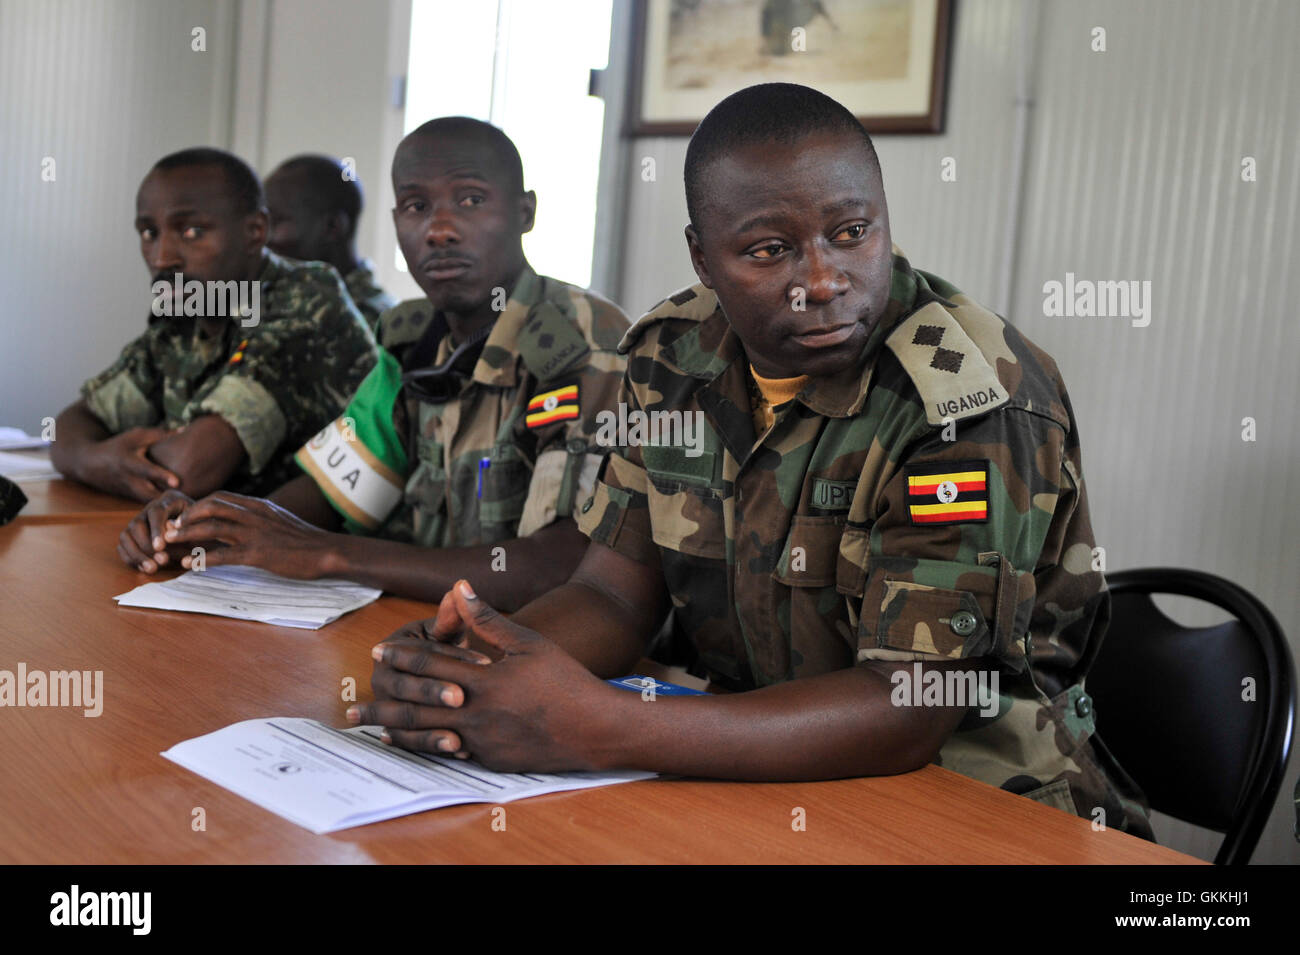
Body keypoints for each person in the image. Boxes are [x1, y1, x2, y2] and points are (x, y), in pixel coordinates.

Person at [351, 84, 1155, 840]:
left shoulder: (970, 395)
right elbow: (609, 590)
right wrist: (473, 670)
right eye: (769, 250)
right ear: (704, 259)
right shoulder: (671, 357)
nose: (822, 280)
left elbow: (910, 703)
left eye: (852, 232)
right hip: (743, 769)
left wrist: (603, 726)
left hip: (975, 804)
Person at [117, 119, 631, 612]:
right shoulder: (412, 343)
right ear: (395, 224)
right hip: (413, 622)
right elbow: (333, 492)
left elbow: (563, 564)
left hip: (551, 655)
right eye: (415, 206)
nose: (439, 229)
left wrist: (329, 555)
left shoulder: (581, 338)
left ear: (524, 213)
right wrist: (208, 526)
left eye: (471, 200)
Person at [50, 148, 376, 503]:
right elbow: (73, 424)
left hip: (319, 548)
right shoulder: (190, 305)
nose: (162, 257)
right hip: (213, 539)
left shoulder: (307, 300)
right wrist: (92, 458)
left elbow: (188, 470)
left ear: (255, 232)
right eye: (149, 233)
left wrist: (99, 457)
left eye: (191, 231)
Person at [264, 154, 398, 330]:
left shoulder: (377, 326)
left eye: (276, 221)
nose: (263, 237)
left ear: (332, 227)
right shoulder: (272, 298)